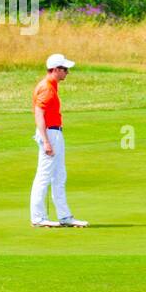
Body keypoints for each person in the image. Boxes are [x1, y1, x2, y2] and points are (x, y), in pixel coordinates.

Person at [30, 53, 88, 228]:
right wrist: (46, 141)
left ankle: (64, 216)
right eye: (65, 69)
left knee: (59, 175)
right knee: (44, 175)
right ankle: (38, 218)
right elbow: (39, 114)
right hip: (50, 133)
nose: (67, 72)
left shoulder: (51, 86)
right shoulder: (47, 88)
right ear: (55, 69)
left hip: (54, 132)